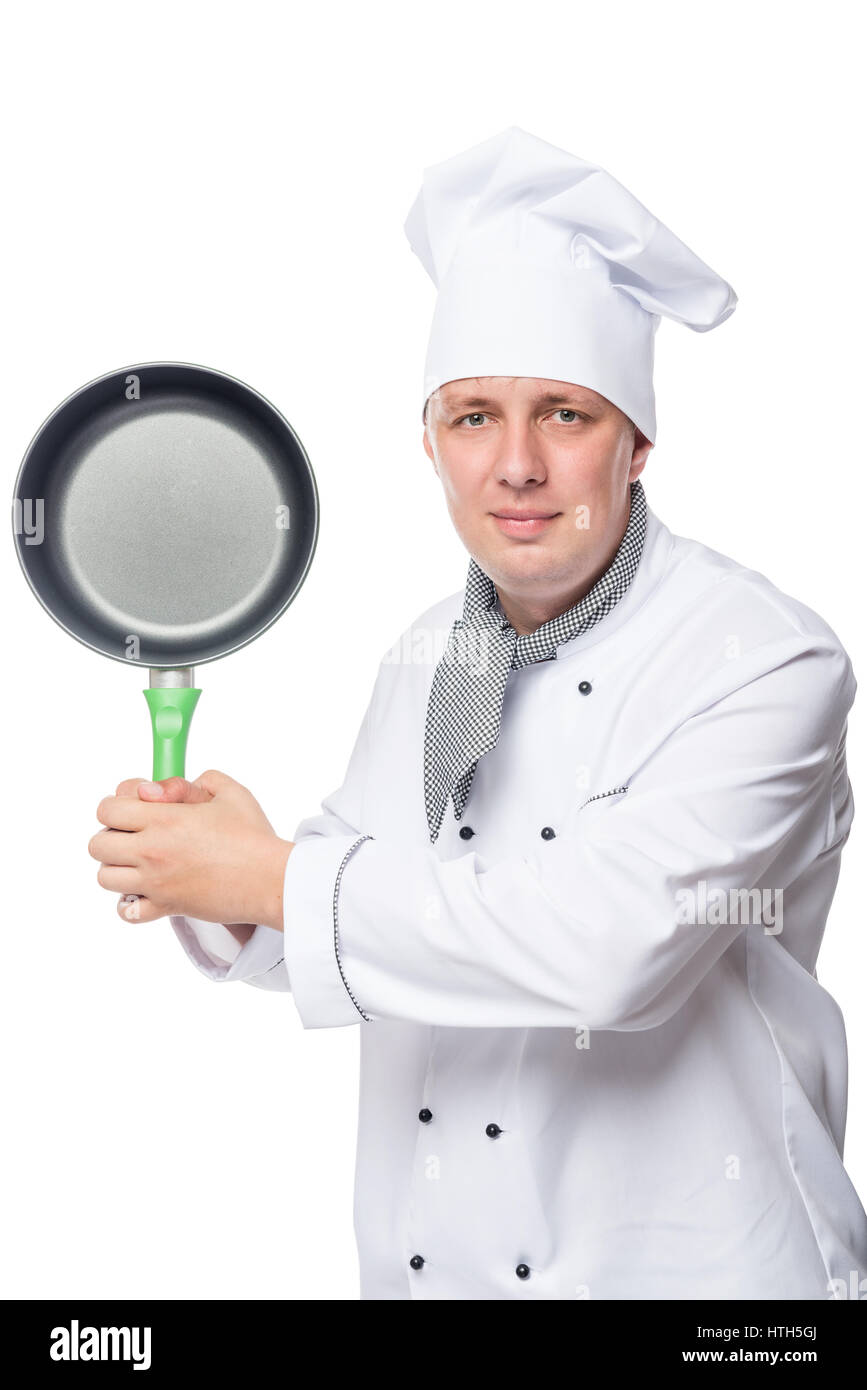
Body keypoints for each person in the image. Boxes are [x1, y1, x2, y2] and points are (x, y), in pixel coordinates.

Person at [88, 127, 867, 1300]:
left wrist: (269, 877)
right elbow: (370, 929)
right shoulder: (430, 657)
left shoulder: (765, 662)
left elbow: (608, 947)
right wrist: (219, 879)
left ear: (638, 440)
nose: (515, 466)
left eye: (564, 413)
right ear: (429, 445)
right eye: (472, 417)